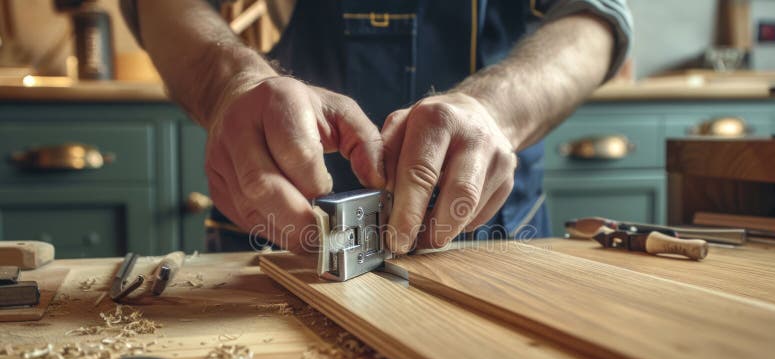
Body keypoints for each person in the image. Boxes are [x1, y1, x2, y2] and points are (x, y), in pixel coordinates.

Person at [120, 0, 631, 253]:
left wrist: (495, 110)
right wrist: (230, 83)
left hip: (489, 223)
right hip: (276, 225)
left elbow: (593, 18)